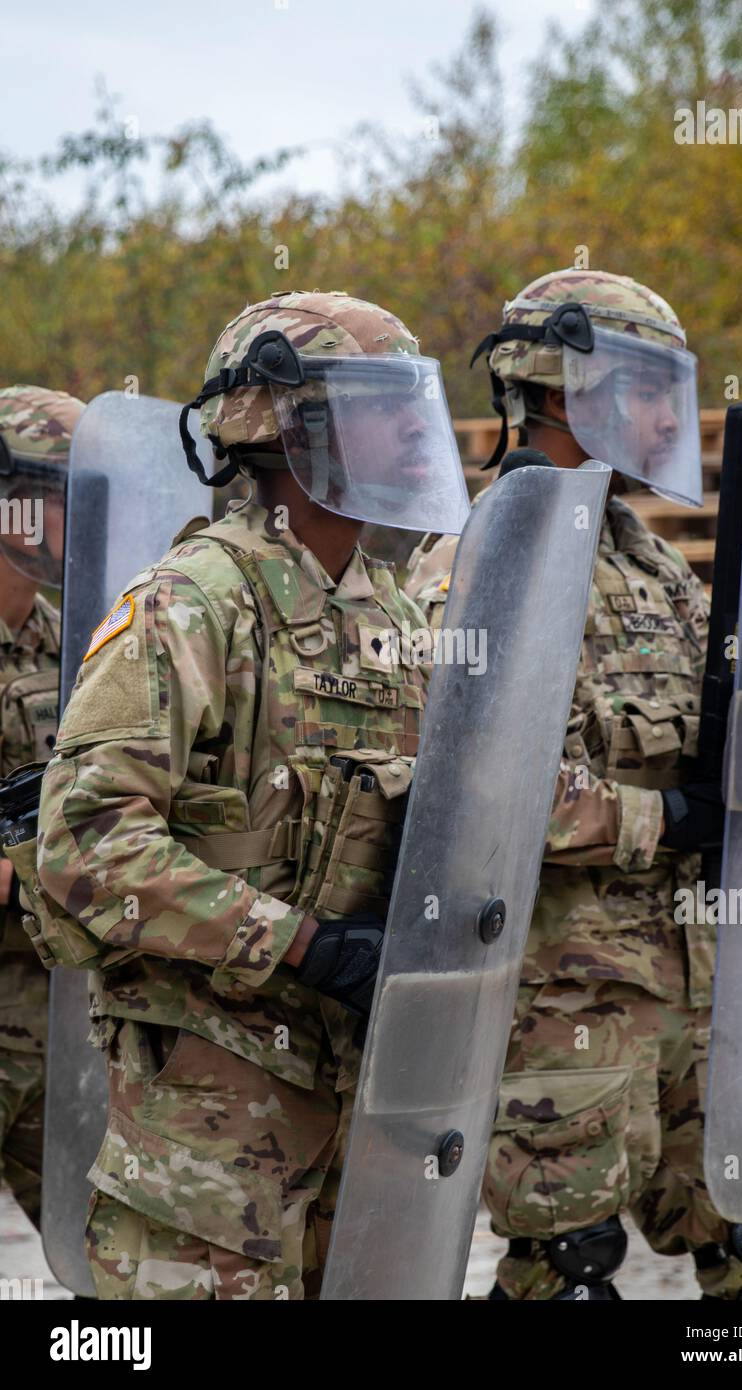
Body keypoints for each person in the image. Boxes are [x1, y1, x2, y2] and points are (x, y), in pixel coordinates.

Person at [32, 290, 469, 1299]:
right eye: (382, 402)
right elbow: (85, 842)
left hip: (366, 1098)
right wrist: (302, 946)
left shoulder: (395, 611)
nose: (414, 427)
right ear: (287, 425)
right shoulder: (191, 603)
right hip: (212, 1123)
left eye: (417, 403)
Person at [406, 266, 742, 1301]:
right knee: (567, 1275)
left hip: (696, 999)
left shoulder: (648, 564)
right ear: (555, 389)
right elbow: (478, 787)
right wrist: (662, 820)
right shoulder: (474, 562)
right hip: (558, 1007)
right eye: (641, 386)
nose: (660, 415)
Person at [0, 384, 84, 1228]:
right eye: (65, 497)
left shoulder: (69, 637)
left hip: (52, 1020)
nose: (81, 520)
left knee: (109, 1264)